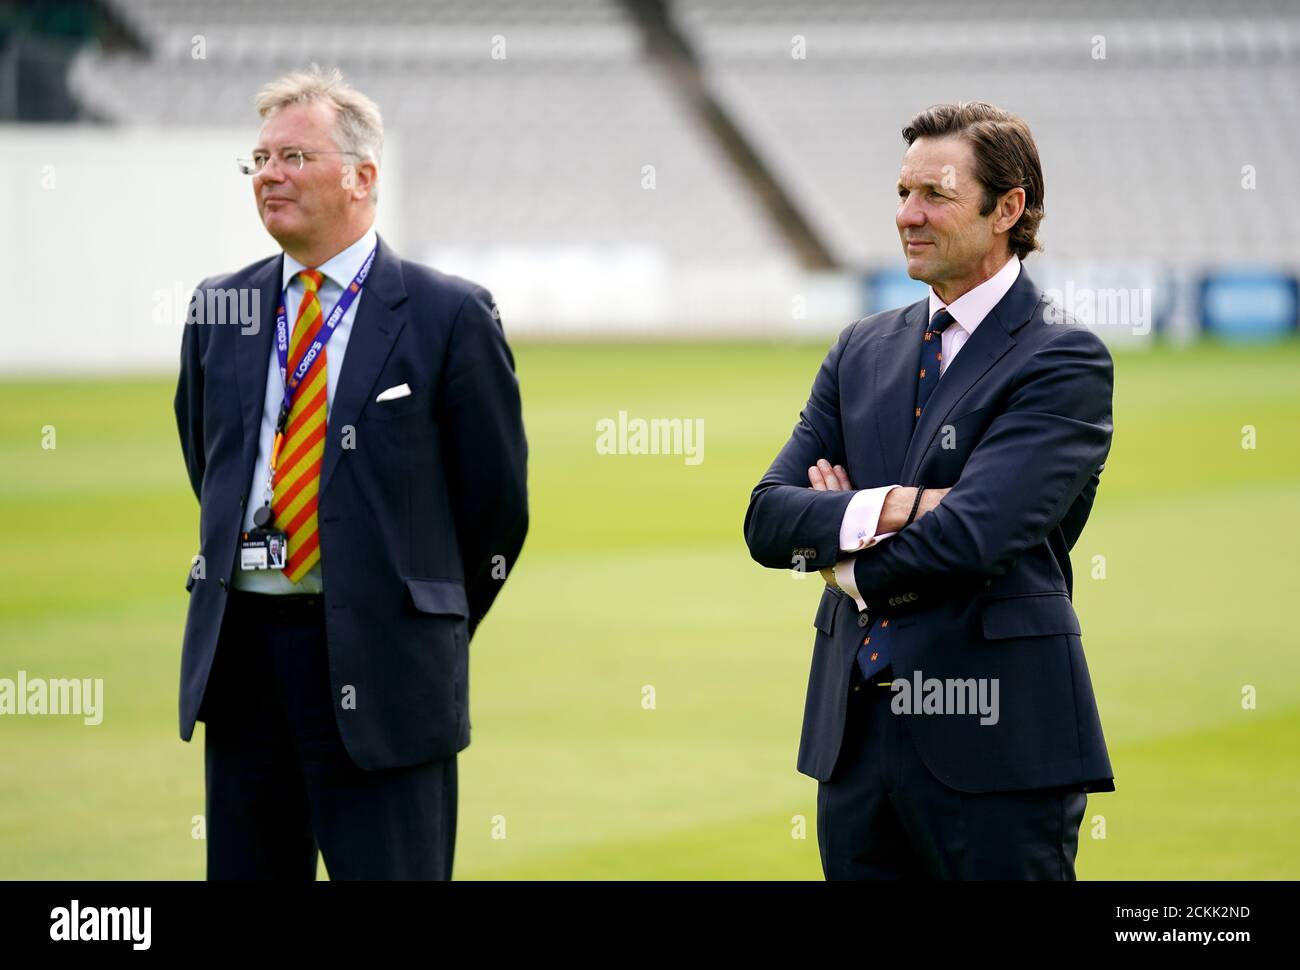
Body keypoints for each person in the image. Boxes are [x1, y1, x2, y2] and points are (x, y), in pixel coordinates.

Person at [174, 65, 528, 880]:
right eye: (259, 160)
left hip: (385, 670)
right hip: (243, 665)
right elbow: (213, 469)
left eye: (294, 157)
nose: (269, 175)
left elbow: (495, 507)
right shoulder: (216, 308)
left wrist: (418, 620)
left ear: (363, 177)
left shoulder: (448, 313)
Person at [744, 102, 1114, 880]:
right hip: (853, 744)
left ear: (1007, 208)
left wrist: (842, 557)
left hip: (998, 743)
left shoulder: (1063, 358)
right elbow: (768, 519)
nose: (908, 215)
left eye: (935, 195)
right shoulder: (860, 348)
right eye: (903, 192)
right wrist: (896, 505)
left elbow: (975, 534)